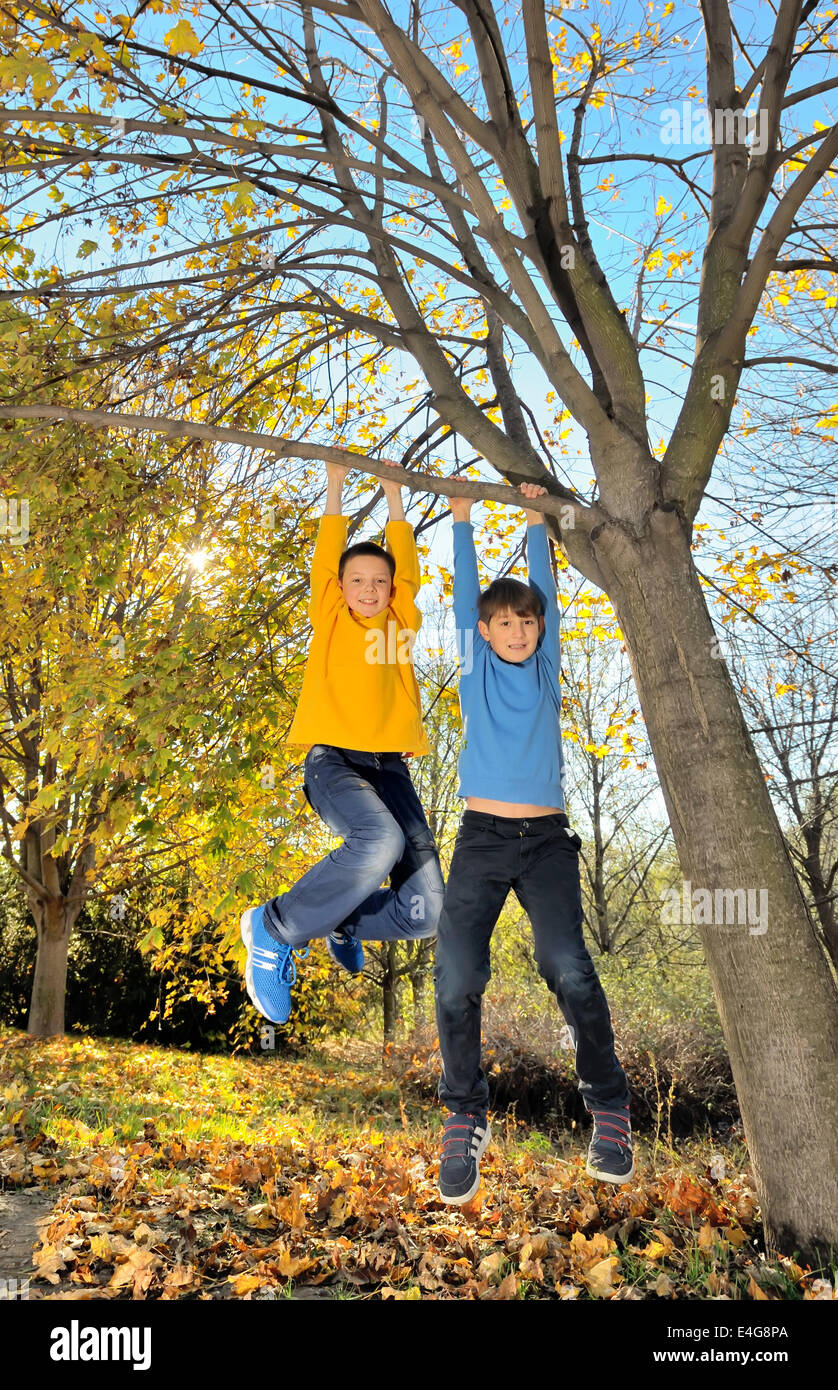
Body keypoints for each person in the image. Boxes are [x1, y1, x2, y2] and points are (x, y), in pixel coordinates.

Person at [434, 482, 633, 1204]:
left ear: (539, 630)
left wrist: (533, 520)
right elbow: (464, 595)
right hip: (482, 840)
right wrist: (461, 518)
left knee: (567, 965)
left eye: (527, 623)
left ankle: (609, 1104)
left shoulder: (546, 673)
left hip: (547, 841)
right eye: (504, 624)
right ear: (484, 633)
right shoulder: (475, 666)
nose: (517, 632)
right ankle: (463, 1115)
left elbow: (542, 576)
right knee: (456, 977)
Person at [240, 460, 443, 1024]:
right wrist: (335, 483)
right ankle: (275, 925)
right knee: (378, 842)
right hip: (334, 760)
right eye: (357, 580)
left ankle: (339, 919)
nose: (370, 589)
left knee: (427, 911)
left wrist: (396, 497)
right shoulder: (329, 617)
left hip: (390, 768)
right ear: (341, 587)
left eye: (380, 580)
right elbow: (325, 560)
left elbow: (409, 572)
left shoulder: (401, 619)